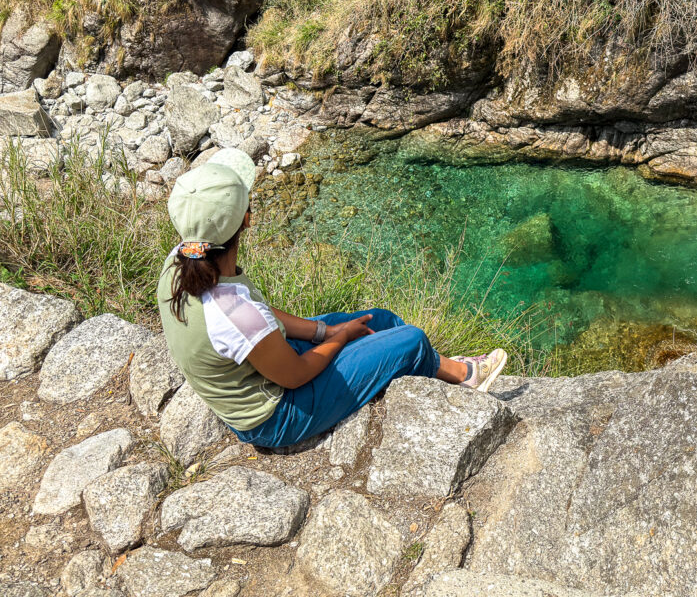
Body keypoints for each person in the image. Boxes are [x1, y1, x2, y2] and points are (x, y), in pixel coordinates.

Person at [157, 149, 507, 448]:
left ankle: (432, 365)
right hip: (277, 415)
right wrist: (340, 338)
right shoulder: (233, 312)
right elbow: (293, 375)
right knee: (411, 340)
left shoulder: (183, 260)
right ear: (246, 220)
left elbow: (258, 315)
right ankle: (466, 376)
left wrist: (321, 331)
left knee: (379, 319)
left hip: (258, 367)